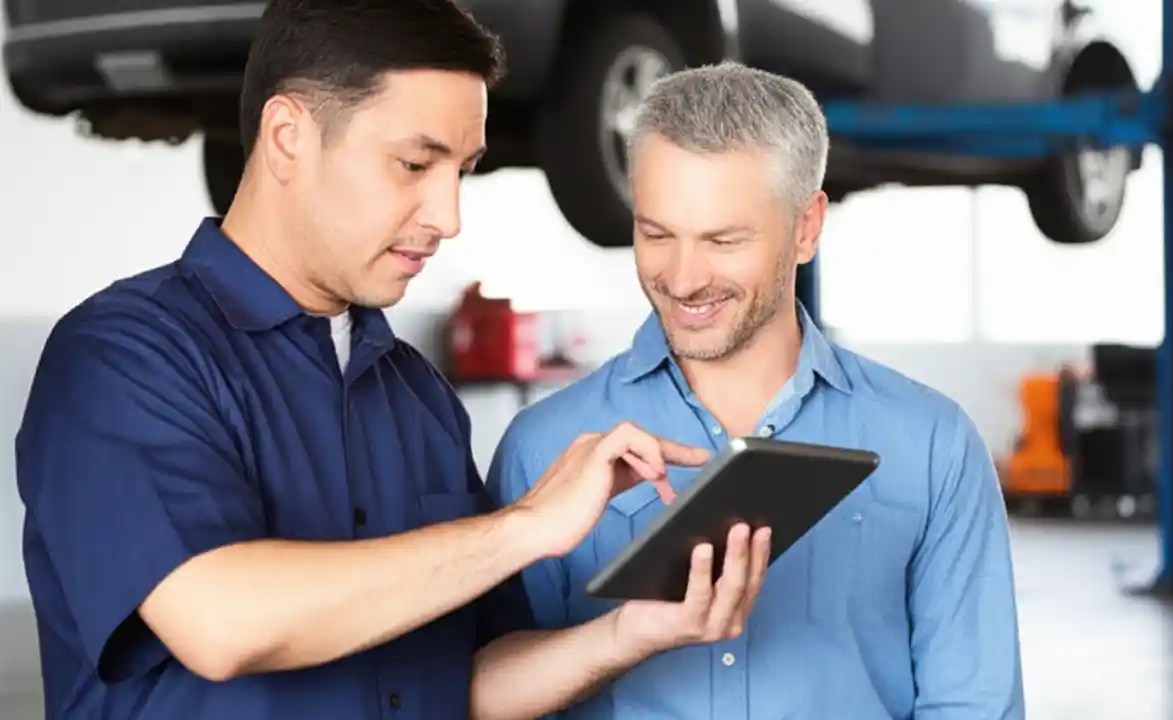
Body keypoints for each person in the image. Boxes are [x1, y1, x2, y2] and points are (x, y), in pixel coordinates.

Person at [13, 3, 772, 719]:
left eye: (462, 171)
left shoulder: (416, 396)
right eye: (414, 165)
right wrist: (524, 527)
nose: (448, 217)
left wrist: (627, 635)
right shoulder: (123, 357)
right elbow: (219, 622)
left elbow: (457, 685)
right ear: (287, 137)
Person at [488, 62, 1026, 719]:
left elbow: (972, 704)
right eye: (656, 234)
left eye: (723, 240)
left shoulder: (931, 446)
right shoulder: (544, 447)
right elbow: (477, 688)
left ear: (806, 228)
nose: (683, 279)